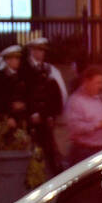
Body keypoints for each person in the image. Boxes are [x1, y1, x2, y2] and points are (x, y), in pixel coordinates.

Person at [24, 35, 67, 175]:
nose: (40, 53)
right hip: (29, 118)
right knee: (30, 150)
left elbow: (55, 94)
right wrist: (32, 113)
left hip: (45, 117)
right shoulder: (24, 69)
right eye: (37, 50)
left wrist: (50, 115)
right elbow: (26, 94)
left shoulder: (49, 69)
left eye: (42, 50)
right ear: (31, 51)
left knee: (48, 149)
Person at [61, 66, 102, 167]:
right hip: (84, 152)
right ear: (86, 82)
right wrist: (98, 125)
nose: (101, 86)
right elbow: (75, 127)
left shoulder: (100, 98)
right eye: (98, 83)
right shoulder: (75, 101)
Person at [0, 45, 30, 130]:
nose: (18, 61)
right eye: (16, 59)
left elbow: (28, 93)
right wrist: (7, 116)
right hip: (7, 118)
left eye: (19, 58)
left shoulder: (22, 74)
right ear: (8, 60)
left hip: (22, 117)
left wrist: (24, 104)